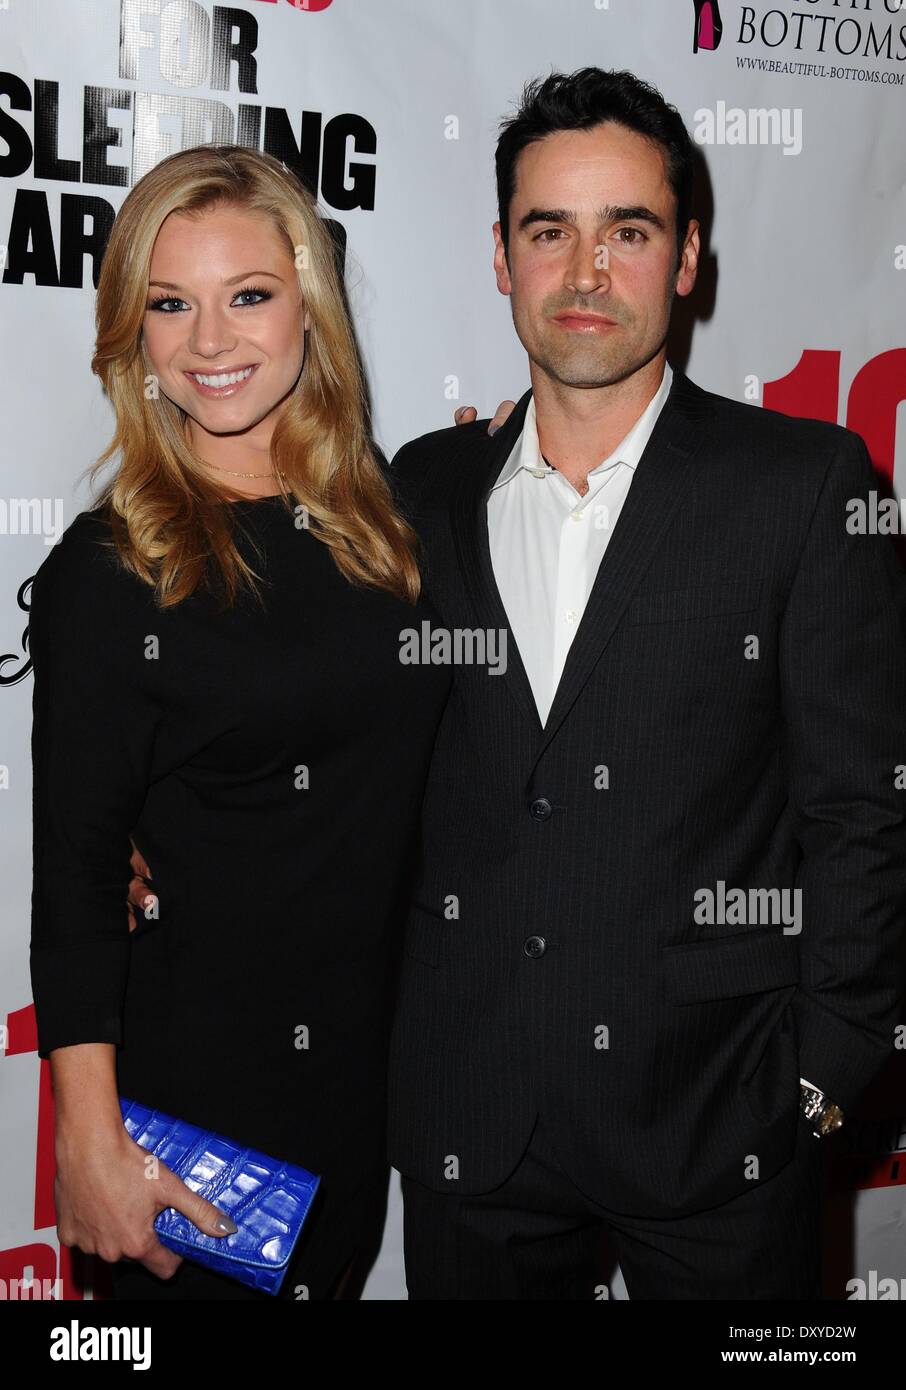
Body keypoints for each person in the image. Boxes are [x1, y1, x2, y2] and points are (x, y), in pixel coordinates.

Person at [386, 67, 906, 1299]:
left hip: (719, 1126)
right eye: (547, 229)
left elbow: (866, 811)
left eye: (628, 229)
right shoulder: (422, 488)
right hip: (476, 1128)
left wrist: (818, 1084)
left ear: (686, 261)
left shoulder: (806, 485)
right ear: (500, 257)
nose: (584, 270)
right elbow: (360, 759)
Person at [28, 144, 462, 1301]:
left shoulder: (386, 526)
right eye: (171, 304)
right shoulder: (113, 573)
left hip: (351, 1100)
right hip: (190, 1128)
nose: (211, 343)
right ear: (134, 332)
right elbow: (74, 877)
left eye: (249, 296)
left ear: (308, 307)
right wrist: (88, 1145)